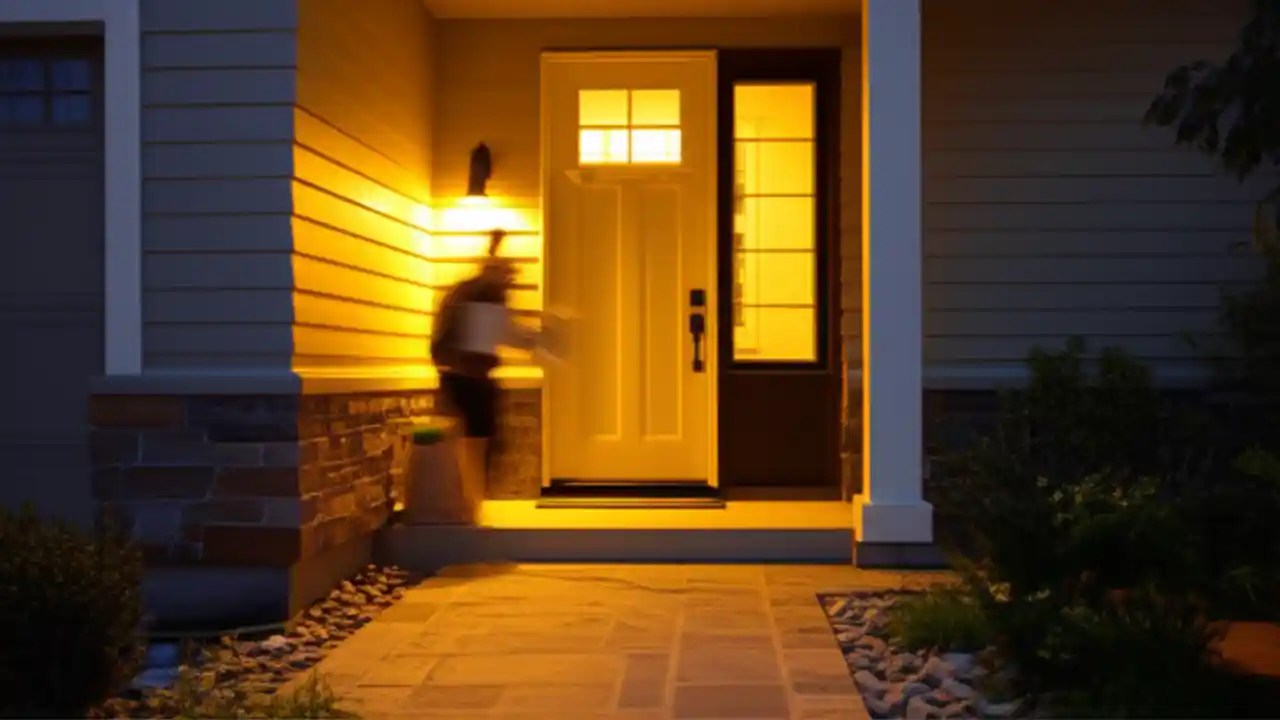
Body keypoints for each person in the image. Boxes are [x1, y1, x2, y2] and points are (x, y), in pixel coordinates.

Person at [429, 229, 544, 518]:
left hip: (455, 375)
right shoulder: (486, 299)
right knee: (476, 442)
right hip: (470, 378)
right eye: (508, 278)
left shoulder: (464, 293)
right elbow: (506, 332)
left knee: (470, 441)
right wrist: (540, 340)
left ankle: (468, 503)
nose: (510, 285)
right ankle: (471, 505)